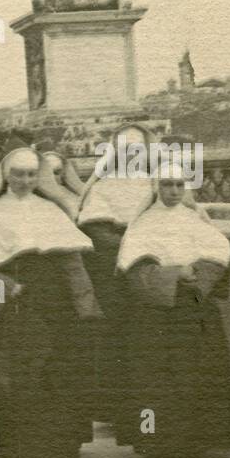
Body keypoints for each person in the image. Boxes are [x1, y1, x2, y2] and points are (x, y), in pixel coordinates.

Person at [0, 146, 100, 458]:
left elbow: (71, 262)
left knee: (58, 374)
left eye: (30, 174)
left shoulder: (51, 211)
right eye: (17, 174)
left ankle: (59, 450)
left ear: (40, 177)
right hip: (17, 303)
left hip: (56, 303)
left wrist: (85, 304)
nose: (24, 180)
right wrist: (5, 290)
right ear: (5, 175)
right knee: (23, 378)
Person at [114, 166, 230, 458]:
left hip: (195, 308)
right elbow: (135, 273)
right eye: (167, 185)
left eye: (179, 185)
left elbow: (218, 256)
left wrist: (198, 280)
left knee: (203, 374)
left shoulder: (195, 219)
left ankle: (206, 444)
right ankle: (159, 445)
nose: (174, 191)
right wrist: (174, 274)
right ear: (156, 187)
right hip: (157, 315)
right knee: (158, 378)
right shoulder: (142, 225)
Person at [75, 124, 155, 421]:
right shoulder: (102, 186)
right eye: (125, 149)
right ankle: (115, 409)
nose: (131, 155)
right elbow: (95, 229)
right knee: (116, 335)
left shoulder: (152, 182)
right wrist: (131, 246)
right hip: (114, 268)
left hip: (150, 266)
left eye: (137, 149)